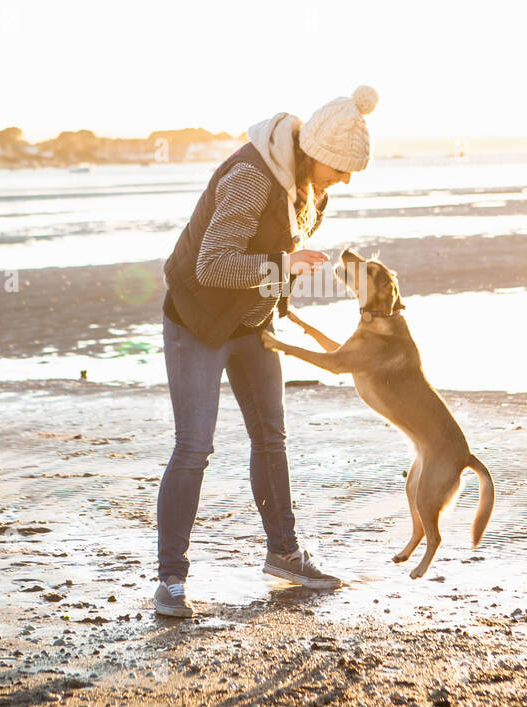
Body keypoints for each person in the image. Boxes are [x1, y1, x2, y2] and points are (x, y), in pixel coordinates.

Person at [153, 85, 379, 617]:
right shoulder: (251, 177)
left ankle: (284, 554)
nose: (344, 181)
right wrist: (284, 264)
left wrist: (282, 278)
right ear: (314, 153)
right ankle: (170, 580)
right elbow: (213, 265)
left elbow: (276, 258)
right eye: (341, 169)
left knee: (271, 439)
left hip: (252, 322)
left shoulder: (307, 188)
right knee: (194, 447)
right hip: (198, 321)